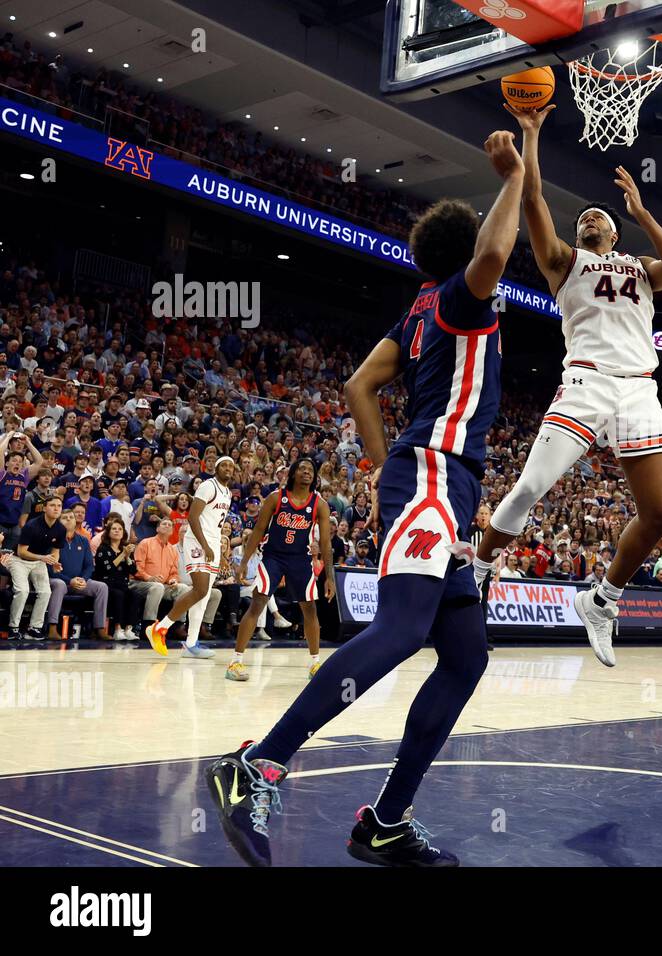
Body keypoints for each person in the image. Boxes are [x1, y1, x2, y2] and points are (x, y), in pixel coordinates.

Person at [207, 128, 523, 868]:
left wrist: (385, 470)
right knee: (404, 629)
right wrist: (515, 173)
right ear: (465, 254)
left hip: (434, 483)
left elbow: (358, 386)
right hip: (436, 477)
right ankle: (259, 763)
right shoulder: (457, 300)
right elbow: (497, 255)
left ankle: (383, 822)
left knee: (466, 654)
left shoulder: (415, 309)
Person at [472, 102, 662, 668]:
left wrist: (642, 213)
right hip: (588, 383)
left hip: (640, 389)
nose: (590, 218)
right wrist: (530, 133)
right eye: (583, 218)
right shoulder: (563, 263)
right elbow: (534, 200)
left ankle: (603, 599)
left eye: (599, 216)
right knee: (527, 490)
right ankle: (478, 567)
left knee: (661, 514)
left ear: (615, 231)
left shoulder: (642, 266)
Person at [228, 458, 335, 681]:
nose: (307, 473)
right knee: (258, 603)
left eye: (311, 470)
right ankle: (235, 662)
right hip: (273, 557)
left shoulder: (320, 504)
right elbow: (258, 530)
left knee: (310, 609)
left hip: (300, 560)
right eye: (302, 469)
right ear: (293, 474)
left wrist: (330, 578)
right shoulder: (276, 498)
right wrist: (245, 561)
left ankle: (315, 664)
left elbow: (325, 543)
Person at [144, 457, 236, 659]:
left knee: (203, 596)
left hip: (213, 543)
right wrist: (205, 545)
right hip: (197, 541)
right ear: (216, 468)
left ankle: (191, 643)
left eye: (231, 465)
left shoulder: (227, 492)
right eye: (224, 465)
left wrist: (217, 550)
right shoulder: (207, 486)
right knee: (200, 589)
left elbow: (216, 524)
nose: (228, 468)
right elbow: (193, 517)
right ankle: (160, 628)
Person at [45, 509, 110, 639]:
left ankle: (100, 628)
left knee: (101, 587)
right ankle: (52, 628)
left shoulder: (84, 540)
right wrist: (70, 581)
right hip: (59, 580)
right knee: (59, 585)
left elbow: (89, 566)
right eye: (65, 518)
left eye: (71, 517)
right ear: (58, 522)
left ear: (76, 521)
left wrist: (83, 579)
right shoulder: (52, 539)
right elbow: (50, 568)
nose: (69, 519)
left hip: (79, 582)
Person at [7, 495, 65, 640]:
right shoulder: (31, 525)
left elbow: (55, 552)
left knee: (45, 592)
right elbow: (22, 552)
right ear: (44, 508)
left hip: (39, 561)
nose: (56, 508)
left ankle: (34, 628)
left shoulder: (61, 529)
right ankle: (13, 628)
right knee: (22, 590)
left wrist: (55, 562)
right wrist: (42, 558)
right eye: (52, 505)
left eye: (59, 505)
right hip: (18, 560)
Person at [95, 514, 140, 641]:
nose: (117, 531)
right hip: (106, 584)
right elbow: (108, 568)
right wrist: (123, 555)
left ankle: (129, 629)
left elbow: (134, 571)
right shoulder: (103, 548)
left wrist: (127, 557)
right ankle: (117, 629)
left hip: (122, 583)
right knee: (118, 595)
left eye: (120, 529)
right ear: (108, 532)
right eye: (114, 529)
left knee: (134, 595)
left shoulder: (125, 549)